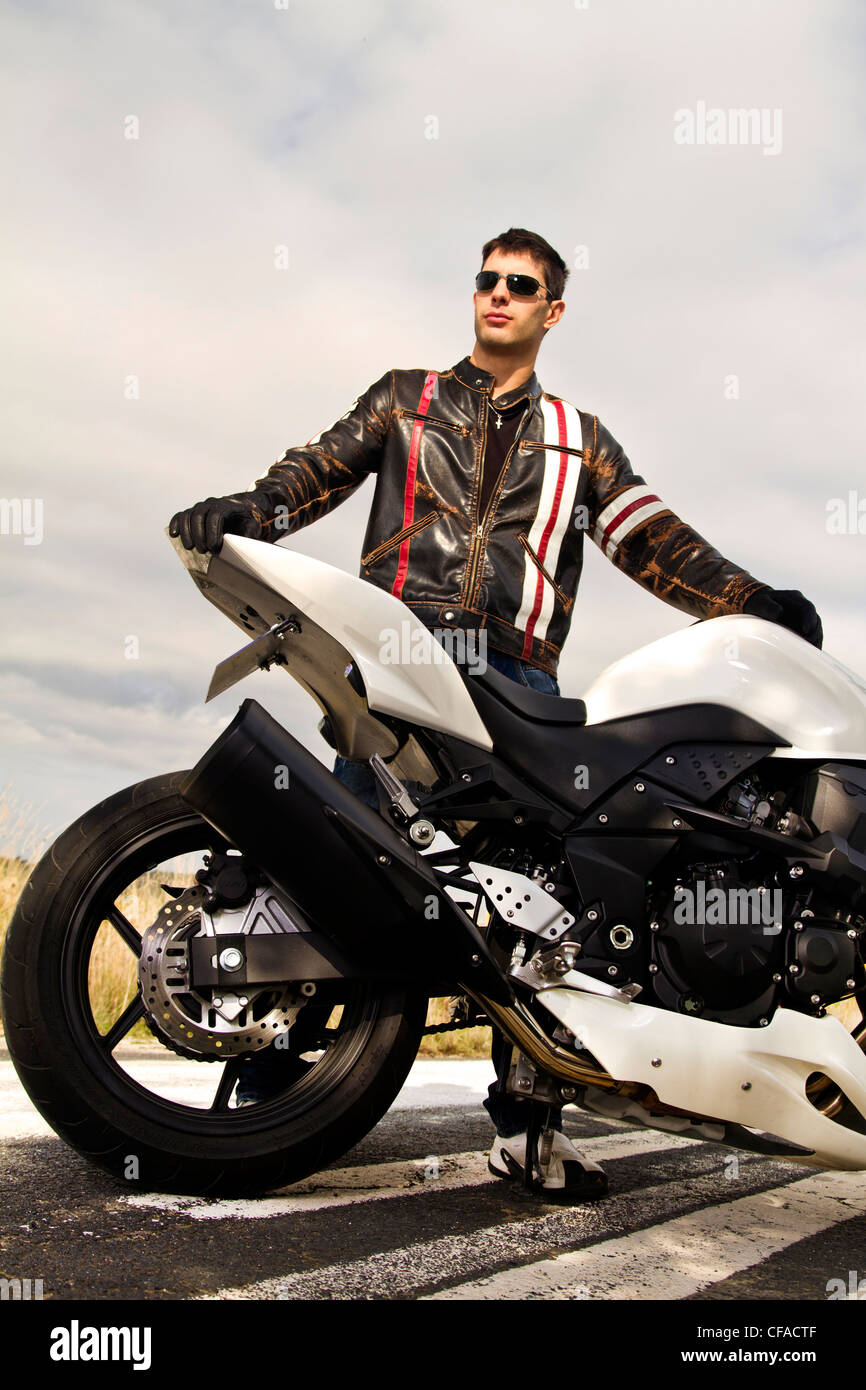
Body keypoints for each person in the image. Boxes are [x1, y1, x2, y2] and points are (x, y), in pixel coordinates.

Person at [169, 226, 822, 1200]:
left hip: (519, 680)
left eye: (521, 285)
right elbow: (313, 468)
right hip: (394, 655)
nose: (498, 295)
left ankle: (527, 1127)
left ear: (551, 310)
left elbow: (653, 539)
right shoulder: (404, 397)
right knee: (336, 863)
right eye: (487, 280)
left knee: (548, 902)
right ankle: (263, 1093)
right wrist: (247, 512)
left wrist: (750, 601)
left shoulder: (580, 437)